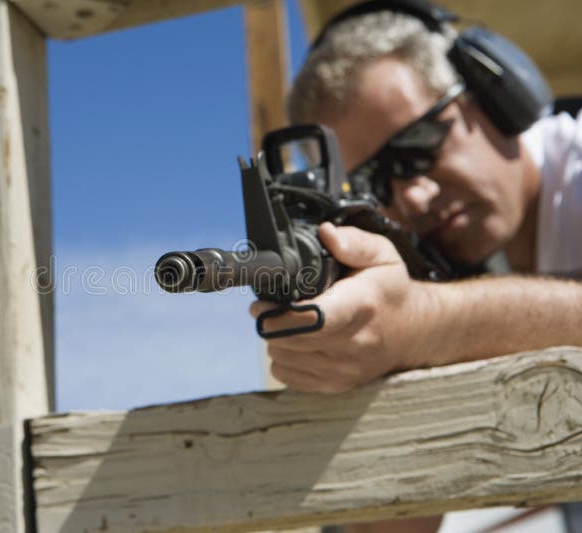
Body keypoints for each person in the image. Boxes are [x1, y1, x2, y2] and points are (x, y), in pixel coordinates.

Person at [248, 1, 582, 531]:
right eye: (378, 184)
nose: (415, 198)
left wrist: (425, 323)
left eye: (417, 149)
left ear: (492, 94)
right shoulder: (443, 271)